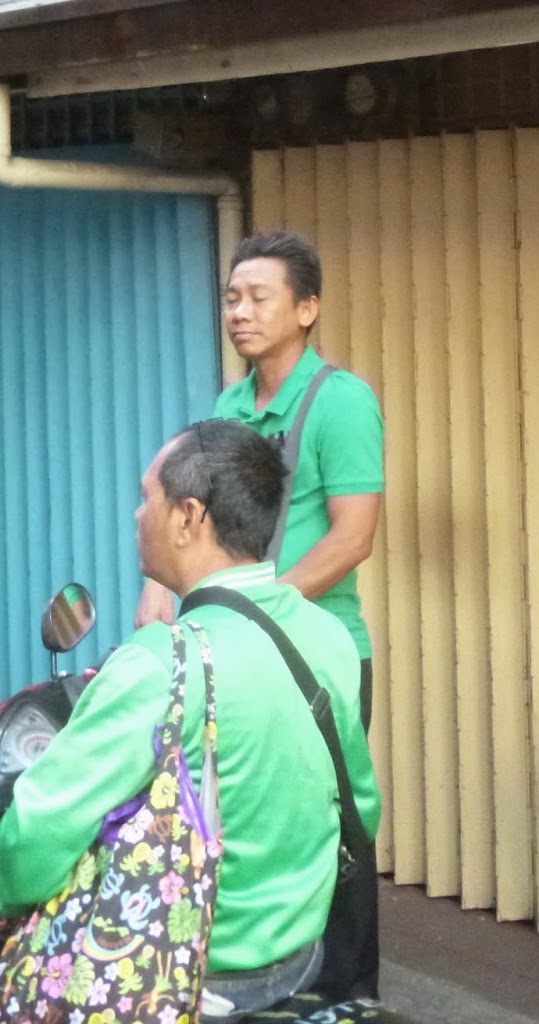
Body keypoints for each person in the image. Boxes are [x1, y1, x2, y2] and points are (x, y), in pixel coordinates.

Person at [0, 419, 381, 1019]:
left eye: (147, 497)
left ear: (188, 517)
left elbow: (31, 844)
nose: (135, 515)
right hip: (300, 957)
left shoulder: (157, 664)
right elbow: (362, 806)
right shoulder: (328, 636)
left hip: (187, 971)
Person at [135, 229, 386, 998]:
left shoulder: (340, 400)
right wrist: (163, 595)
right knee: (239, 820)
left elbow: (353, 536)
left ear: (307, 308)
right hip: (239, 649)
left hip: (316, 648)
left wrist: (262, 614)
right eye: (230, 298)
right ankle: (260, 981)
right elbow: (203, 527)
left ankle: (344, 994)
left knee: (332, 822)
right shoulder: (231, 404)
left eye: (258, 297)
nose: (238, 313)